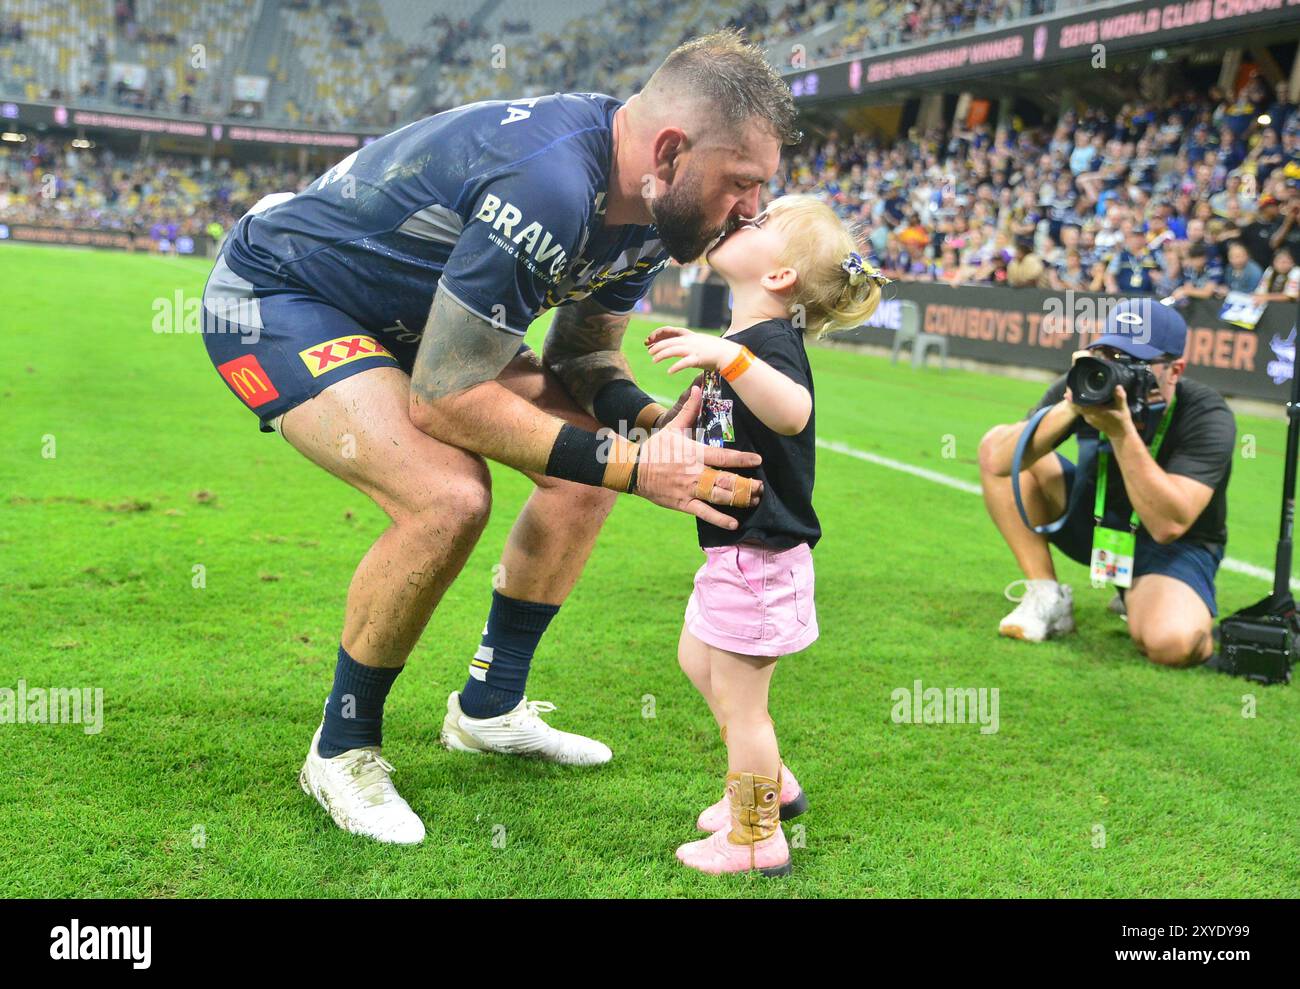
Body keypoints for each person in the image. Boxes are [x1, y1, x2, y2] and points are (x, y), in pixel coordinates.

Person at [199, 31, 798, 844]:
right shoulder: (549, 181)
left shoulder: (655, 209)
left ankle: (489, 707)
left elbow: (584, 353)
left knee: (585, 469)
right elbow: (446, 400)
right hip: (280, 295)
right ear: (671, 148)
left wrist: (652, 424)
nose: (753, 211)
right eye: (743, 183)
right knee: (446, 497)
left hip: (419, 321)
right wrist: (636, 468)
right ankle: (341, 747)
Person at [643, 195, 886, 875]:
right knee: (699, 663)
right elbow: (723, 422)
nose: (741, 220)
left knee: (745, 708)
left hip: (759, 556)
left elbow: (793, 411)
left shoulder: (769, 342)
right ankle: (770, 783)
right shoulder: (744, 342)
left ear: (779, 277)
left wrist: (727, 356)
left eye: (759, 224)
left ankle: (756, 834)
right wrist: (679, 424)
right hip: (735, 552)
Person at [977, 301, 1236, 667]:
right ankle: (1047, 594)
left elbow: (1169, 525)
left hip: (1171, 547)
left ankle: (1140, 590)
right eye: (1107, 353)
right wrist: (1070, 408)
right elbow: (996, 460)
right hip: (1097, 525)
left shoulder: (1206, 414)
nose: (1116, 369)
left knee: (1174, 643)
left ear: (1174, 369)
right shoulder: (1088, 385)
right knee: (1010, 449)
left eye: (1133, 361)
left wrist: (1121, 432)